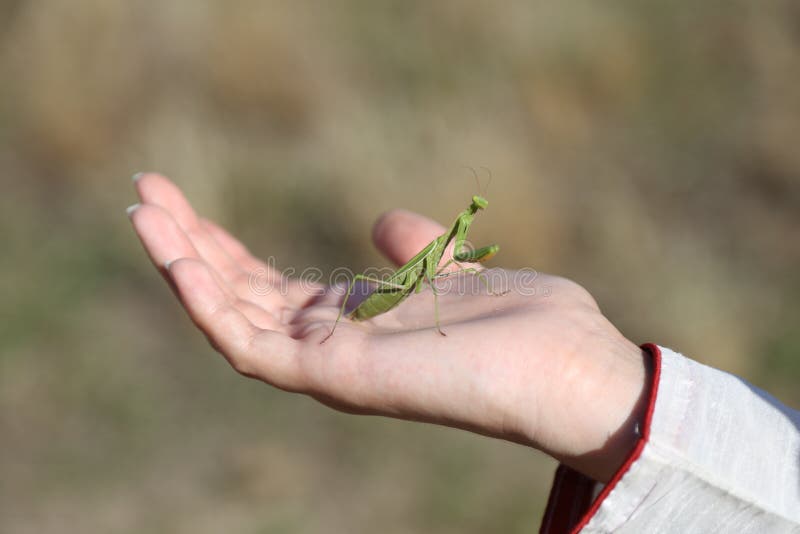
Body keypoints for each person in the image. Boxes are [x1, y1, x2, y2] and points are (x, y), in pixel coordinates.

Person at [128, 173, 800, 533]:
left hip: (393, 295)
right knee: (406, 282)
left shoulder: (464, 243)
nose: (476, 210)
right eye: (474, 207)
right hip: (382, 298)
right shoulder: (447, 247)